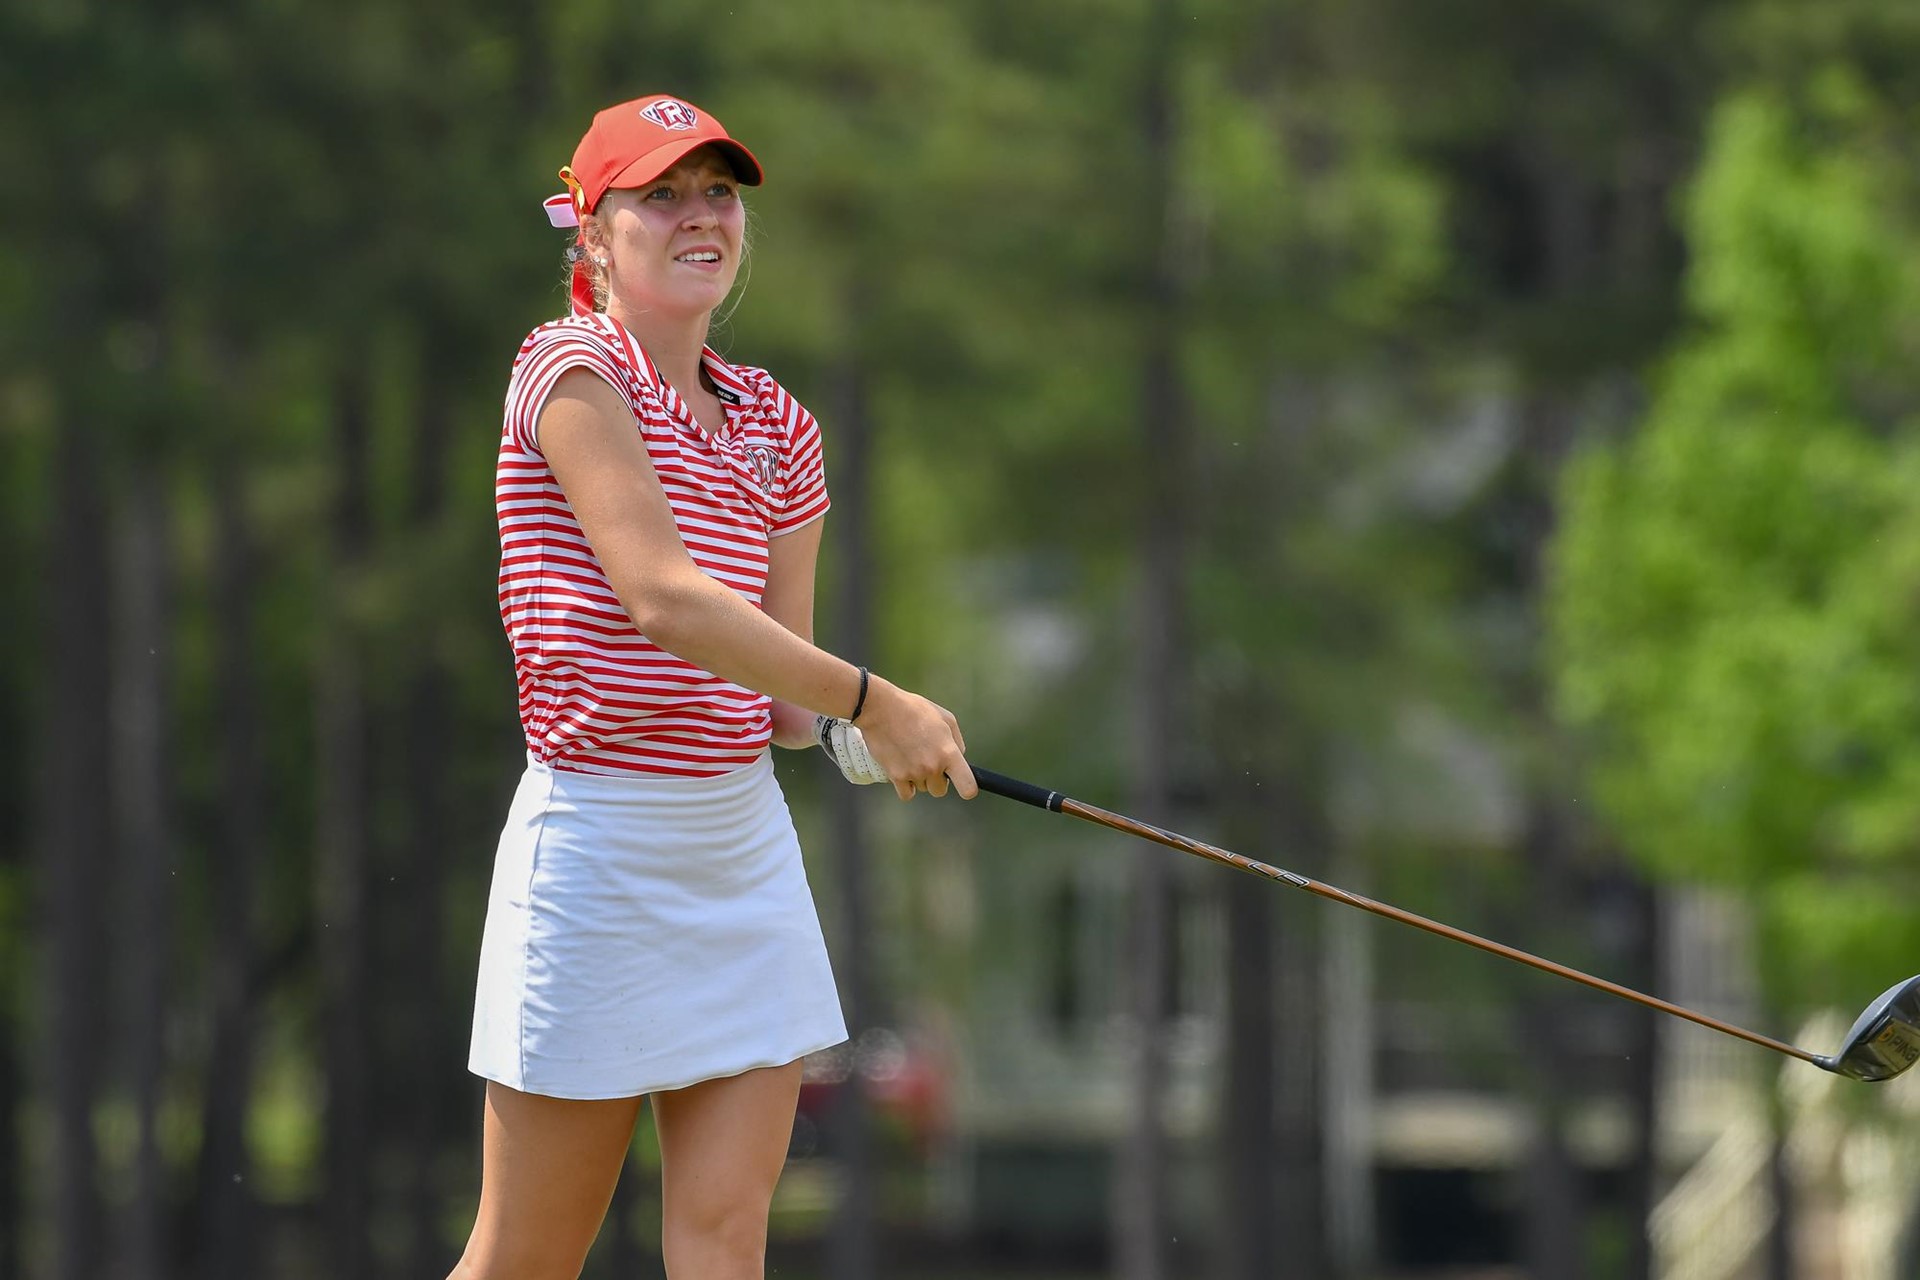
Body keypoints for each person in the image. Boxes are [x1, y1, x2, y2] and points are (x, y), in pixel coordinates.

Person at [450, 93, 976, 1280]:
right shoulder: (568, 367)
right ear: (593, 231)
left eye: (720, 195)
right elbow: (666, 598)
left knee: (725, 1241)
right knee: (529, 1254)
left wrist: (871, 735)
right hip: (593, 845)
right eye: (662, 194)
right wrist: (874, 701)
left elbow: (783, 698)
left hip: (739, 853)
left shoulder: (779, 426)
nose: (701, 216)